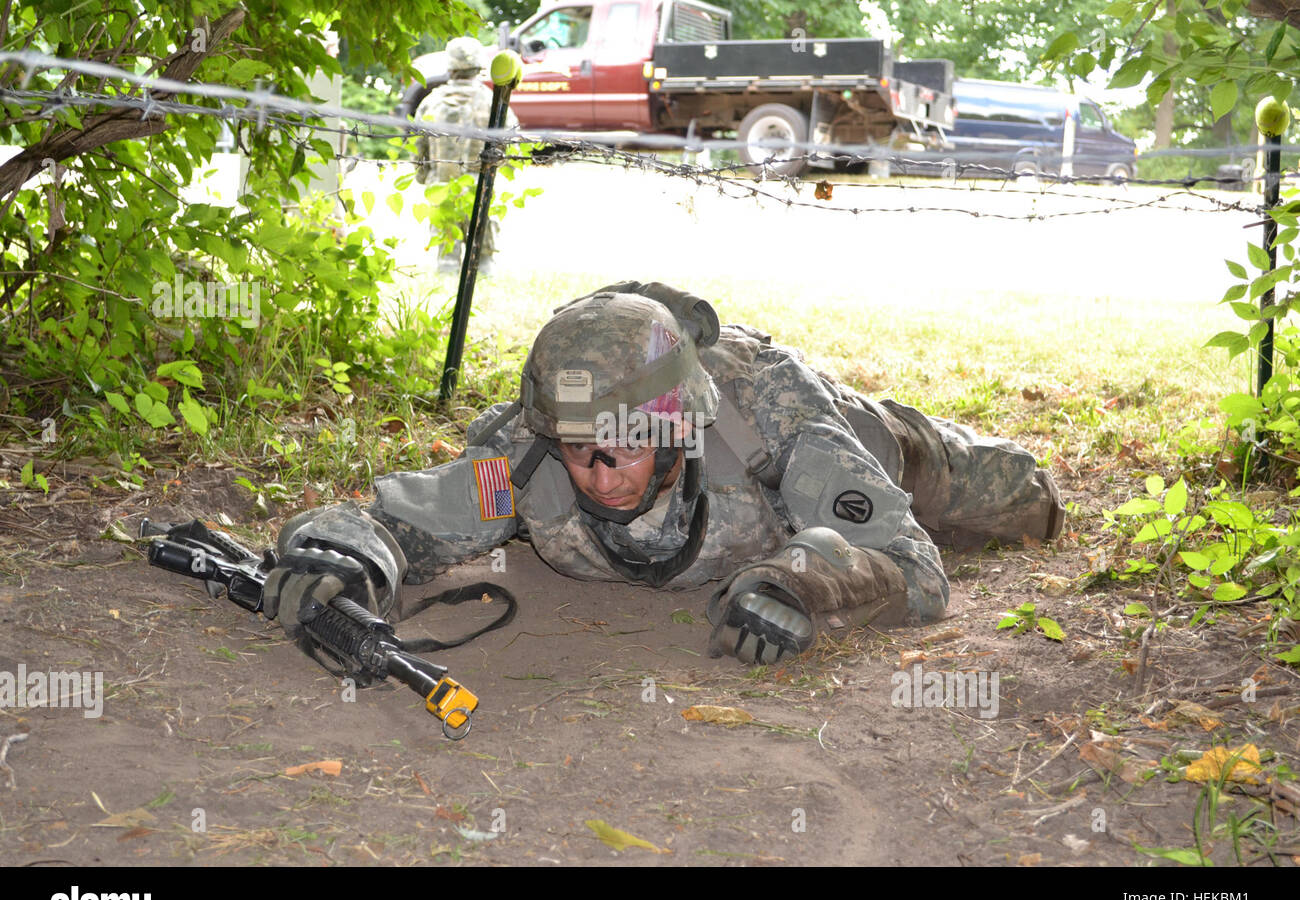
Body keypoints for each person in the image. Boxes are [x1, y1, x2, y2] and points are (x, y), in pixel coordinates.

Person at [263, 281, 1063, 665]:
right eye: (583, 451)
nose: (602, 476)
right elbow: (401, 519)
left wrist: (805, 579)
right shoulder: (532, 454)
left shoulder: (776, 427)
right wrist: (343, 553)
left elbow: (913, 564)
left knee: (1022, 502)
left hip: (853, 435)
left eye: (626, 448)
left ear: (678, 432)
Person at [413, 36, 518, 272]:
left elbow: (417, 148)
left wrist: (423, 177)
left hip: (441, 186)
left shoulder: (431, 102)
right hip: (480, 186)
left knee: (446, 259)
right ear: (480, 66)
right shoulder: (496, 102)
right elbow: (510, 146)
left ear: (450, 66)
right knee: (484, 259)